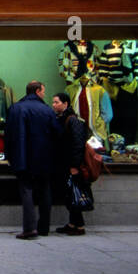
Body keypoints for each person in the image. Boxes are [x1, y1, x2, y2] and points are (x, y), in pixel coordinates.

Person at [4, 80, 57, 239]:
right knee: (45, 190)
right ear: (38, 91)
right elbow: (56, 133)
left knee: (26, 191)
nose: (44, 94)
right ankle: (44, 227)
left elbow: (9, 135)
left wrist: (9, 156)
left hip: (22, 157)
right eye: (43, 91)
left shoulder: (16, 108)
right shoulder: (47, 110)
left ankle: (29, 228)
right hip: (44, 157)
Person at [51, 91, 90, 235]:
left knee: (74, 193)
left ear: (65, 103)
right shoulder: (61, 118)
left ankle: (79, 226)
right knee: (69, 194)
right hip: (64, 163)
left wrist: (75, 165)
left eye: (56, 102)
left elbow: (78, 144)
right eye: (53, 102)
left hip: (71, 165)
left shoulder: (72, 120)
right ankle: (73, 223)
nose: (53, 105)